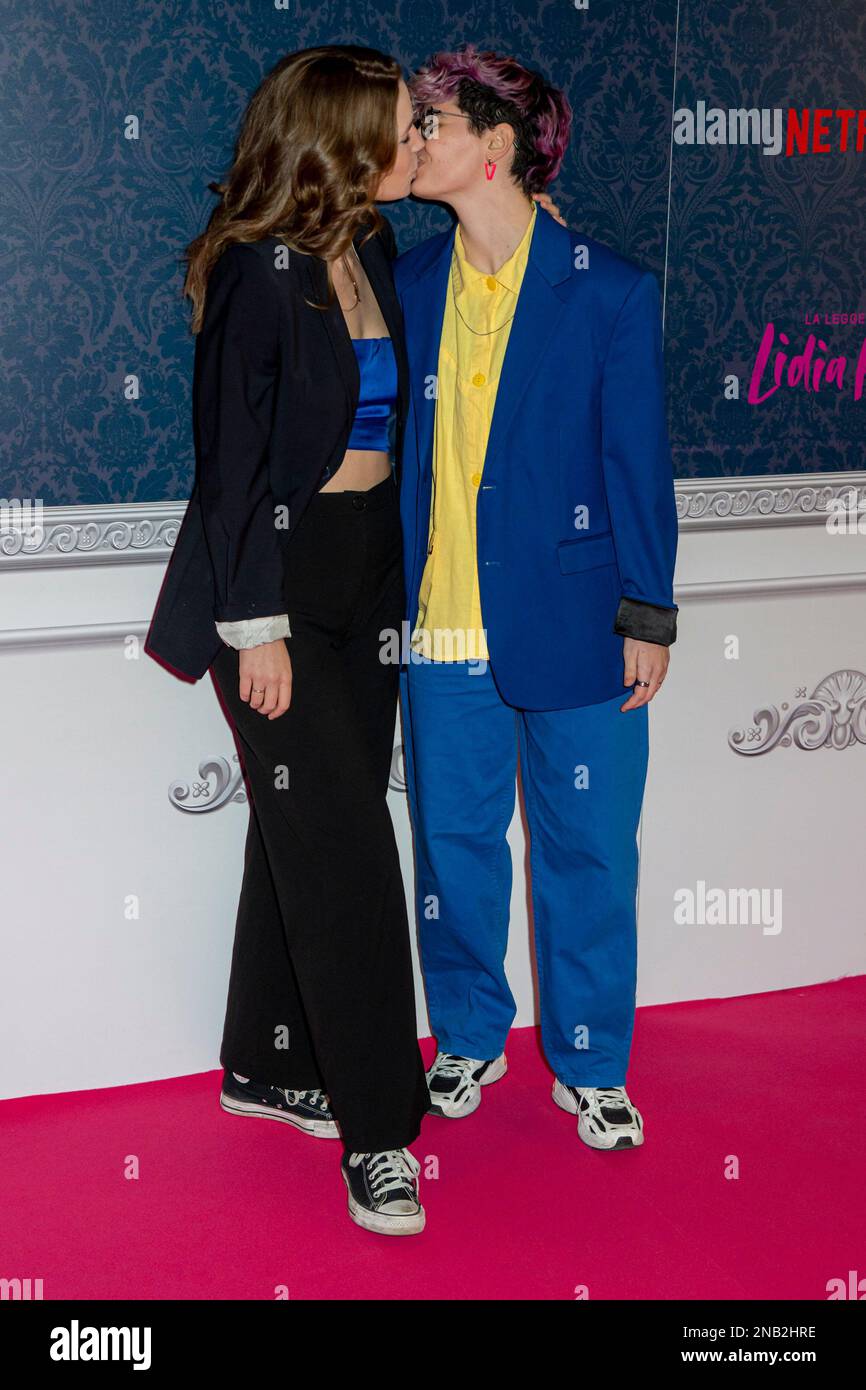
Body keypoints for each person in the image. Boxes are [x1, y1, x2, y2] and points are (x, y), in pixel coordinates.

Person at [146, 45, 433, 1236]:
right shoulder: (258, 275)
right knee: (355, 851)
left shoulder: (368, 246)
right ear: (345, 139)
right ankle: (380, 1134)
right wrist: (254, 625)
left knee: (305, 826)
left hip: (367, 573)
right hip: (274, 580)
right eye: (406, 126)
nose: (419, 142)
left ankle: (266, 1061)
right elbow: (231, 470)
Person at [394, 46, 679, 1150]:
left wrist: (646, 614)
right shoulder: (408, 282)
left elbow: (633, 464)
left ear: (494, 148)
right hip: (442, 627)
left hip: (576, 621)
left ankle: (592, 1061)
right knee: (453, 845)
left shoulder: (607, 290)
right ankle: (466, 1035)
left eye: (430, 126)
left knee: (591, 849)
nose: (414, 143)